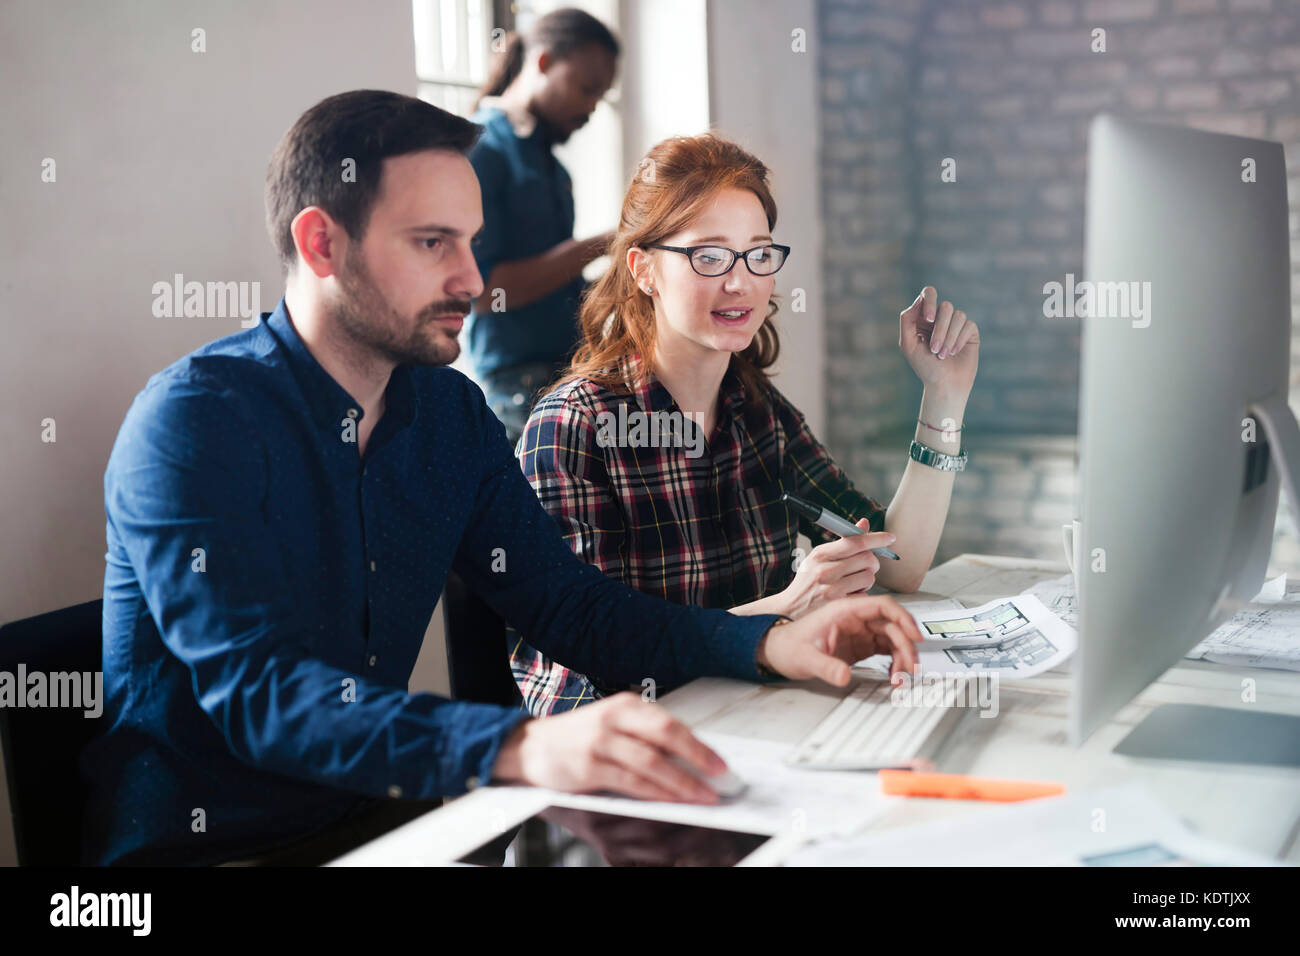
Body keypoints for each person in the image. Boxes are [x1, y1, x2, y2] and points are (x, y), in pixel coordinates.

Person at [81, 92, 924, 867]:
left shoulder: (448, 415)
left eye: (472, 241)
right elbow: (262, 695)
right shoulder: (194, 423)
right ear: (321, 243)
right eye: (432, 243)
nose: (473, 280)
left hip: (392, 826)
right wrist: (515, 747)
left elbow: (574, 607)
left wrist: (770, 642)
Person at [511, 133, 979, 717]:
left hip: (747, 715)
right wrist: (786, 609)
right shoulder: (575, 426)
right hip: (622, 748)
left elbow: (898, 561)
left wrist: (944, 395)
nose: (742, 282)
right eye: (709, 256)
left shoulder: (756, 410)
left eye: (759, 254)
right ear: (644, 270)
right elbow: (598, 655)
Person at [466, 7, 619, 443]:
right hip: (516, 390)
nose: (591, 107)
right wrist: (604, 242)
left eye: (601, 96)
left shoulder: (553, 168)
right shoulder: (482, 150)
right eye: (586, 88)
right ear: (544, 62)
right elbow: (483, 291)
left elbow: (555, 286)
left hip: (569, 375)